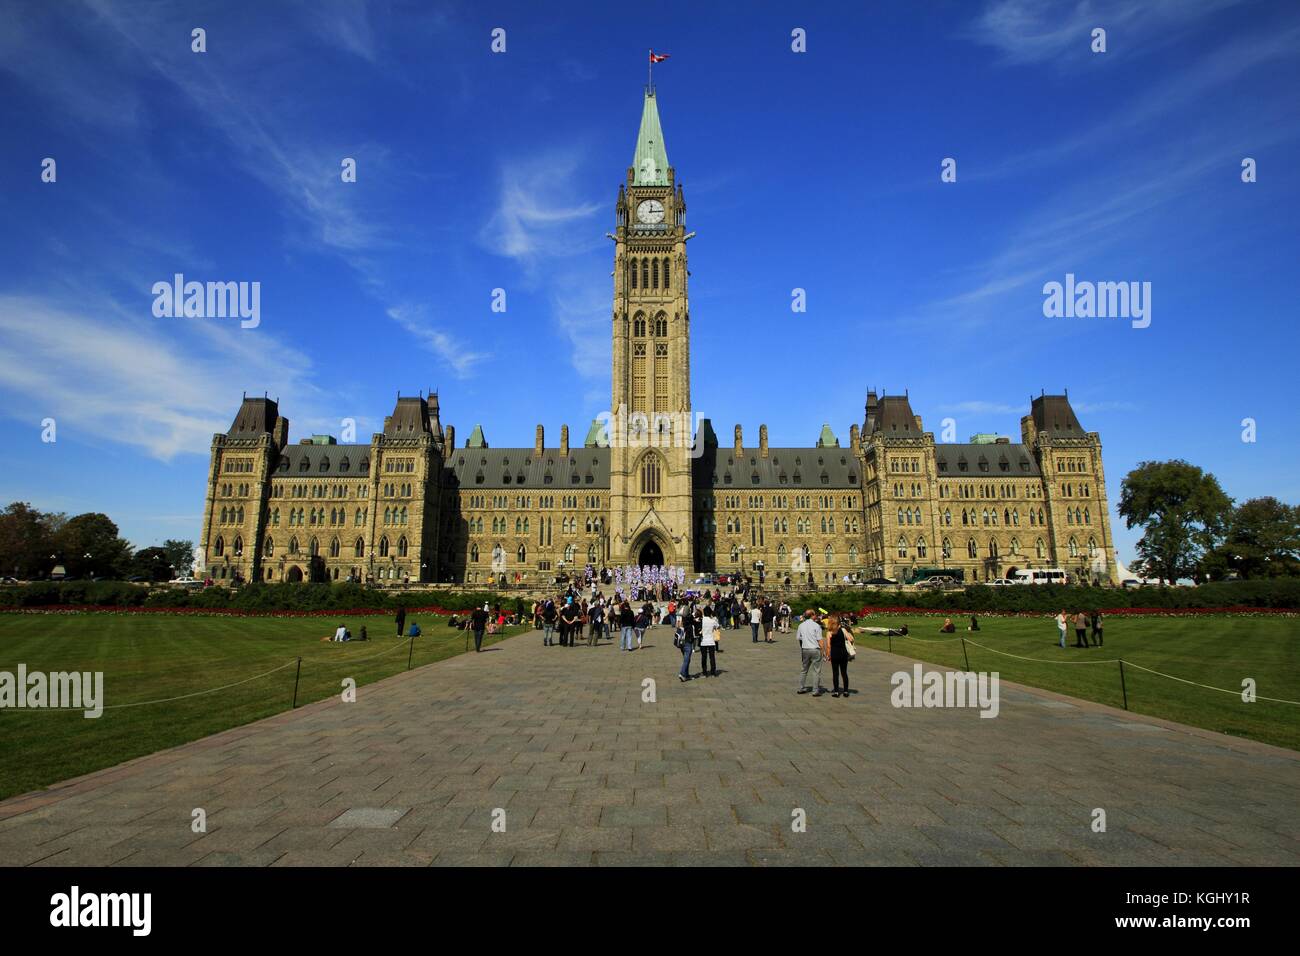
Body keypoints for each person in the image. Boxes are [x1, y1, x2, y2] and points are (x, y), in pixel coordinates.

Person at [796, 610, 825, 696]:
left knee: (804, 670)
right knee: (816, 670)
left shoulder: (801, 625)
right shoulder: (816, 626)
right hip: (815, 648)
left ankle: (801, 688)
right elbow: (820, 640)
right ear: (812, 615)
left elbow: (798, 637)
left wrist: (805, 639)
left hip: (805, 649)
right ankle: (815, 690)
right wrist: (823, 651)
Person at [826, 613, 854, 698]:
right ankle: (845, 691)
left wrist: (828, 655)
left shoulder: (829, 633)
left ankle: (836, 691)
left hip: (834, 654)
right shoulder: (843, 630)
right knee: (844, 672)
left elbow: (828, 646)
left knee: (835, 673)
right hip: (843, 653)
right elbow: (851, 639)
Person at [678, 607, 698, 681]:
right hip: (687, 642)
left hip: (681, 642)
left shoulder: (683, 619)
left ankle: (686, 675)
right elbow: (694, 621)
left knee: (687, 659)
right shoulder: (689, 619)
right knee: (687, 659)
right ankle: (682, 673)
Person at [698, 605, 719, 677]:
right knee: (712, 657)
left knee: (704, 657)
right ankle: (713, 672)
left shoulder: (702, 620)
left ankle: (704, 672)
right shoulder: (713, 621)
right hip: (711, 641)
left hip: (703, 641)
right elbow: (717, 626)